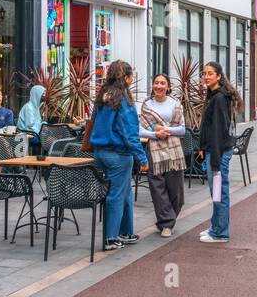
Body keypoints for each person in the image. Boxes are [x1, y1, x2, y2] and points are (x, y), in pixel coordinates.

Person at [87, 60, 148, 250]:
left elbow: (93, 121)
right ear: (128, 78)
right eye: (131, 76)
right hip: (119, 155)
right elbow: (130, 133)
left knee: (125, 193)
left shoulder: (102, 97)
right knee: (117, 194)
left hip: (100, 152)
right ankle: (111, 237)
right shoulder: (124, 100)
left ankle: (125, 232)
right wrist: (142, 157)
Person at [197, 61, 241, 244]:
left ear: (219, 76)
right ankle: (216, 226)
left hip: (218, 153)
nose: (206, 77)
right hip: (217, 151)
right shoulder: (217, 95)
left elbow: (218, 130)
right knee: (217, 191)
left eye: (210, 73)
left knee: (219, 192)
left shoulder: (219, 98)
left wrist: (214, 159)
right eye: (204, 73)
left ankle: (220, 233)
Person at [139, 73, 186, 236]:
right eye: (156, 83)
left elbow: (182, 129)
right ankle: (166, 223)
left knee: (176, 189)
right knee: (157, 188)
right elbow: (140, 130)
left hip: (174, 152)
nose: (159, 86)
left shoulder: (176, 104)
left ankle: (167, 218)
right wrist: (155, 135)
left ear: (168, 86)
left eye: (162, 83)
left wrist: (167, 130)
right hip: (154, 150)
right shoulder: (147, 105)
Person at [16, 84, 45, 153]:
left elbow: (37, 123)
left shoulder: (36, 107)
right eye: (42, 94)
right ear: (36, 94)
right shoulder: (29, 108)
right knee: (44, 140)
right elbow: (29, 126)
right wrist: (40, 132)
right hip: (25, 134)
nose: (44, 96)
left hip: (33, 133)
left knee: (48, 139)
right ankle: (37, 161)